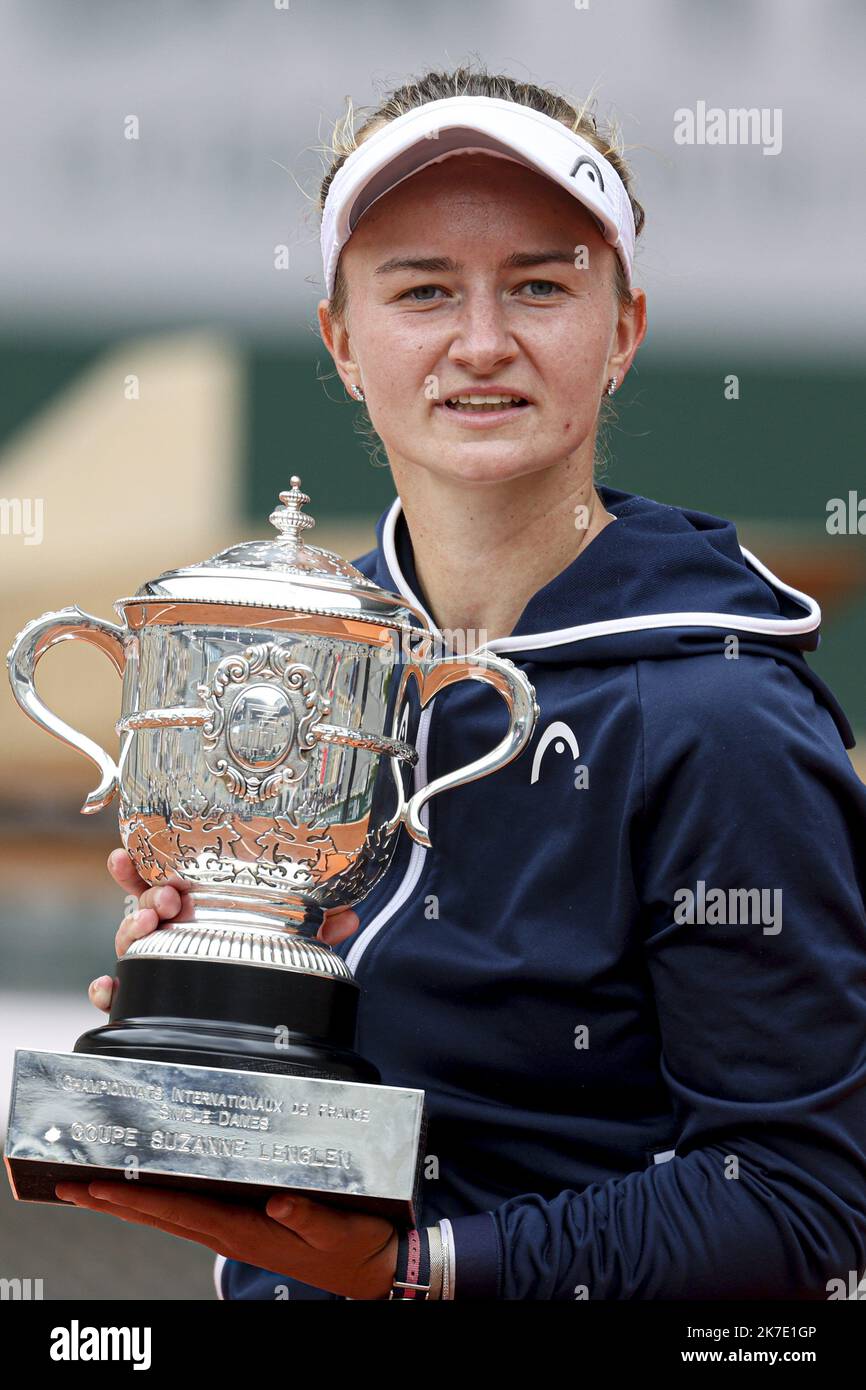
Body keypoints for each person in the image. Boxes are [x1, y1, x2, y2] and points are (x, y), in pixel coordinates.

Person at [59, 65, 866, 1301]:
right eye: (422, 290)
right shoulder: (310, 670)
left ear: (622, 332)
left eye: (539, 286)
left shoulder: (721, 718)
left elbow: (797, 1201)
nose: (480, 343)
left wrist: (417, 1272)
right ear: (340, 340)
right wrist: (226, 987)